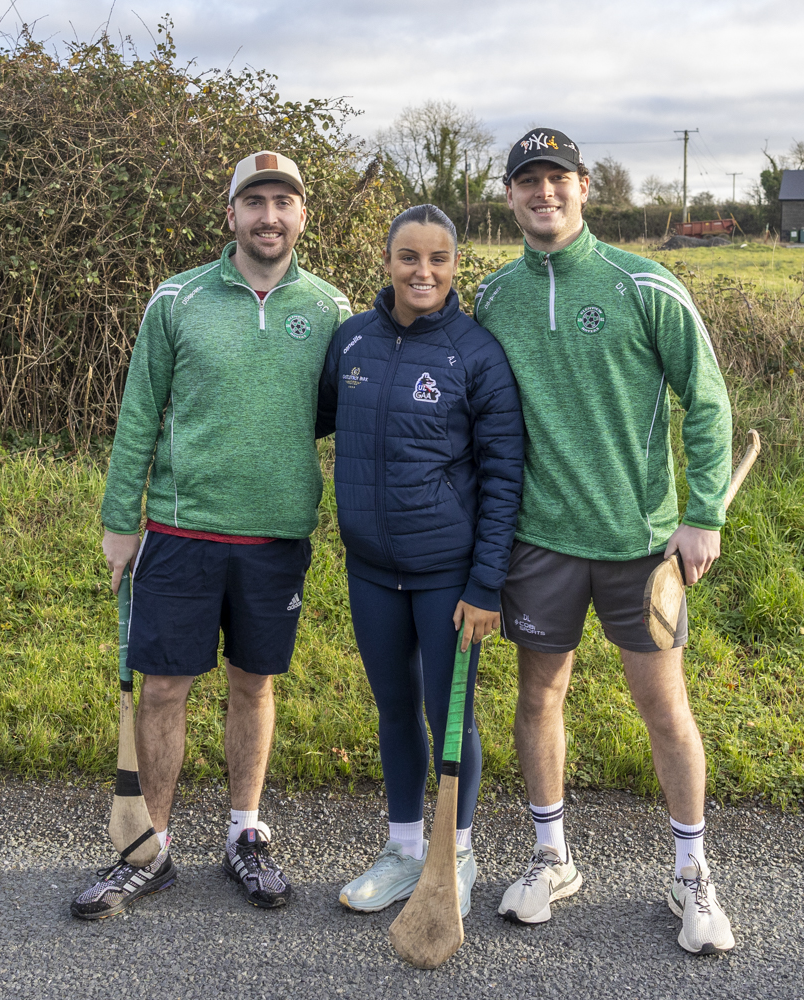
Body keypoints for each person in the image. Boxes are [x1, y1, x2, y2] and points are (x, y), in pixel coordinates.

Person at [70, 150, 352, 919]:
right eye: (253, 201)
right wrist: (118, 520)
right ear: (230, 215)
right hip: (180, 530)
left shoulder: (330, 309)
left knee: (252, 685)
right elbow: (139, 415)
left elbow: (338, 415)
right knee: (163, 688)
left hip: (275, 536)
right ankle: (148, 849)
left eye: (282, 202)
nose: (269, 215)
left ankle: (243, 835)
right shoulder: (177, 301)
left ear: (302, 217)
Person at [475, 128, 736, 954]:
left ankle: (692, 872)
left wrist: (702, 516)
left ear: (585, 188)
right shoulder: (492, 297)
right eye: (528, 182)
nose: (543, 194)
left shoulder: (646, 284)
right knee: (538, 698)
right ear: (509, 197)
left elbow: (707, 400)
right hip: (541, 543)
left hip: (640, 545)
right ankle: (552, 857)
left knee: (665, 708)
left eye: (558, 179)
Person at [316, 204, 523, 918]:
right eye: (408, 257)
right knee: (395, 711)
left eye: (437, 259)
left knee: (450, 716)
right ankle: (404, 850)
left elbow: (503, 477)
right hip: (370, 569)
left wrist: (485, 583)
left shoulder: (477, 354)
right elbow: (314, 417)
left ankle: (453, 854)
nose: (422, 272)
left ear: (456, 266)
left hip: (449, 579)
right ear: (387, 261)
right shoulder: (350, 343)